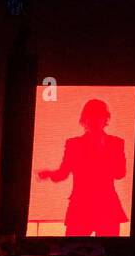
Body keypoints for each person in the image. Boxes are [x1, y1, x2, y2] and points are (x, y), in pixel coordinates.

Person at [36, 97, 128, 237]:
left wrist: (104, 152)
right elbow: (63, 173)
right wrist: (49, 174)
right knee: (73, 251)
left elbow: (120, 173)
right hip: (81, 206)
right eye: (91, 117)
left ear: (105, 119)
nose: (94, 121)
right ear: (84, 120)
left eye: (98, 117)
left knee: (108, 251)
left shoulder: (115, 143)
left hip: (106, 206)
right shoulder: (74, 145)